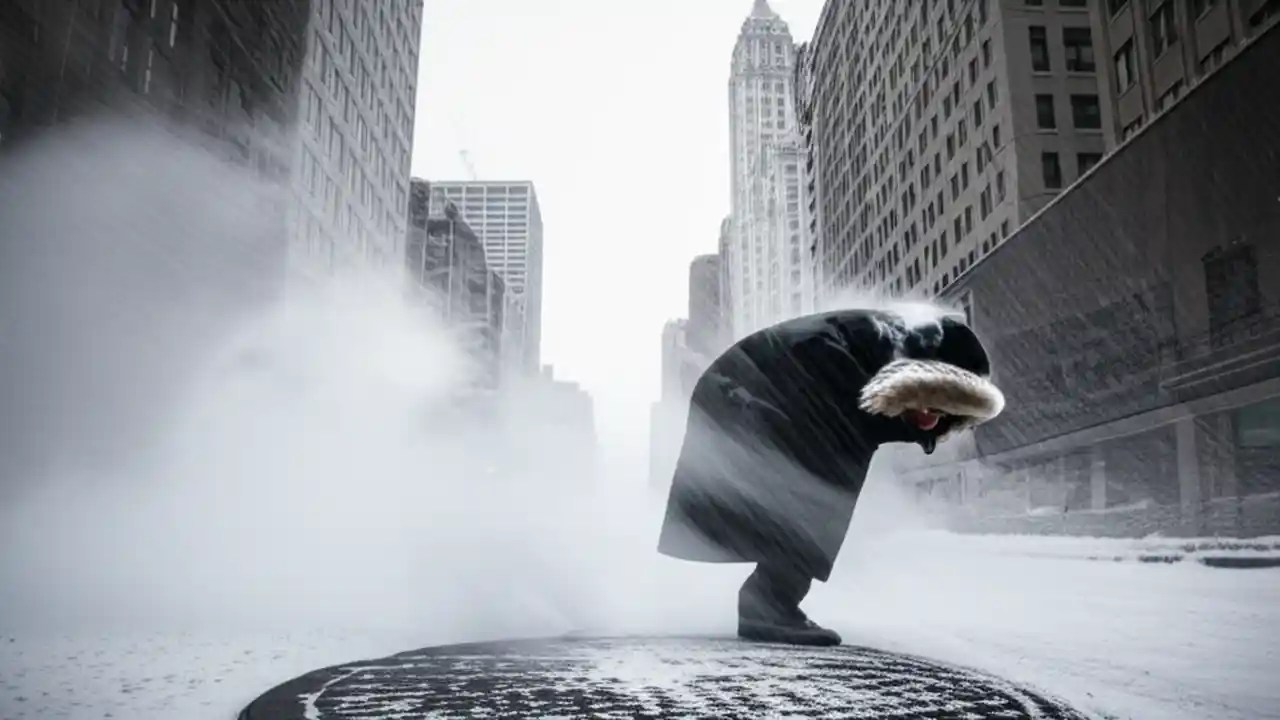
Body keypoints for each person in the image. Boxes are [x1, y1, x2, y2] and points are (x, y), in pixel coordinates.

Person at [656, 307, 1005, 646]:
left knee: (832, 463)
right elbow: (834, 440)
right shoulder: (845, 356)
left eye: (941, 412)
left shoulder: (878, 354)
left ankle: (770, 600)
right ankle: (769, 602)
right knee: (829, 473)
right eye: (928, 405)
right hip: (743, 391)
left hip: (754, 389)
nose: (929, 419)